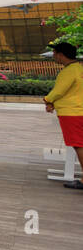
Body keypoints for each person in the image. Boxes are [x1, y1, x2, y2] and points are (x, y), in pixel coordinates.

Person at [44, 41, 83, 189]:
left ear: (61, 55)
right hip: (79, 110)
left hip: (71, 113)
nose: (53, 56)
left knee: (78, 145)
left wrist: (47, 100)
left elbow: (59, 91)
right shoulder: (79, 68)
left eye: (54, 53)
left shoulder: (68, 71)